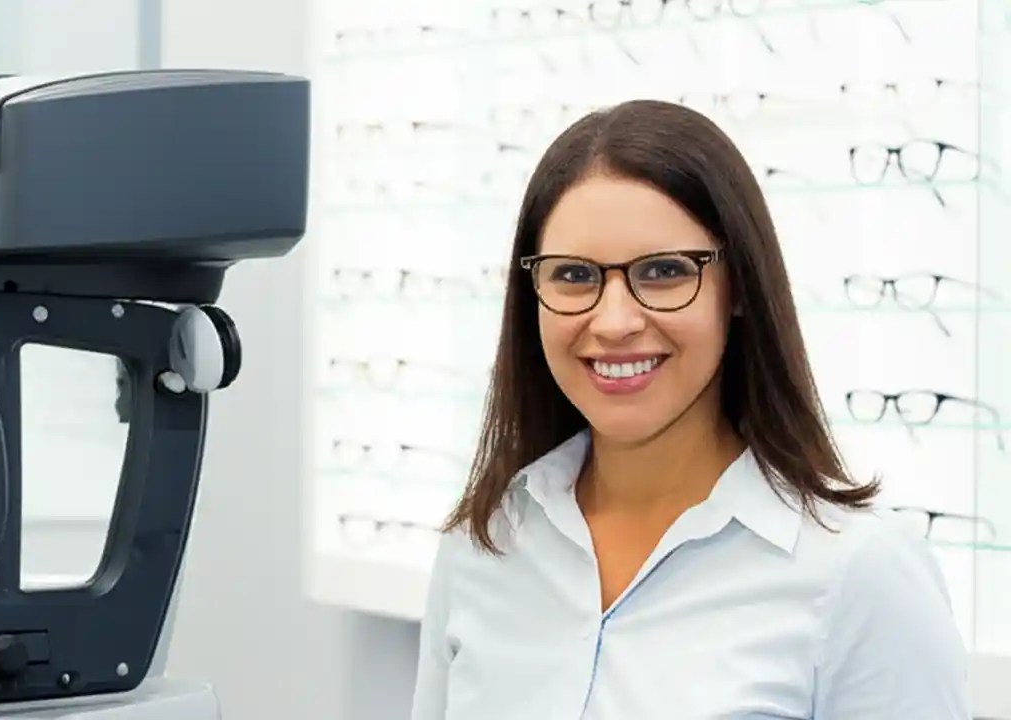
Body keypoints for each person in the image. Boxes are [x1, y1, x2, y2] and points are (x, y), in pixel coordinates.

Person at [409, 100, 969, 719]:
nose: (615, 321)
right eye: (572, 275)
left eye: (665, 271)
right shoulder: (483, 543)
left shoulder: (861, 574)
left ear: (738, 290)